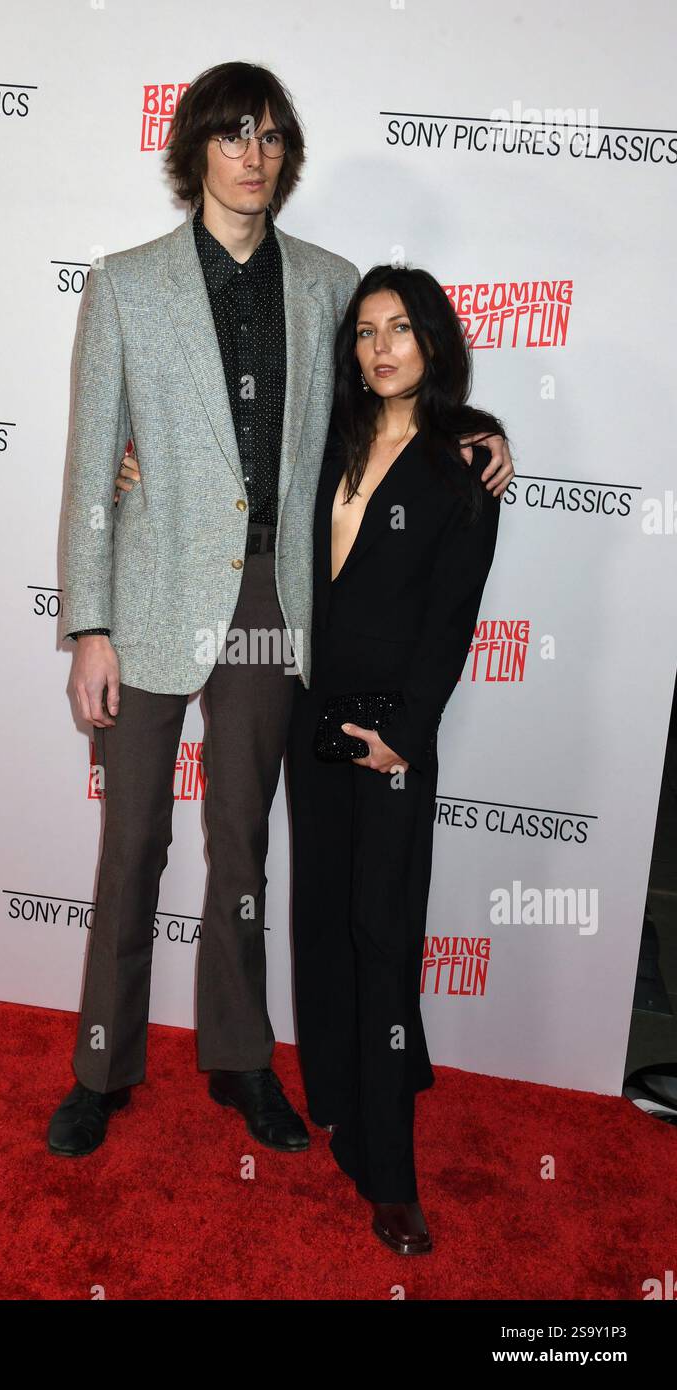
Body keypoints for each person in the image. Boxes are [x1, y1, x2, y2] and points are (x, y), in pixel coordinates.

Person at [50, 60, 514, 1162]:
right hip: (154, 594)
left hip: (275, 594)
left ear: (284, 155)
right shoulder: (123, 284)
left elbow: (390, 402)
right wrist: (89, 625)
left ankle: (241, 1058)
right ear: (196, 150)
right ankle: (103, 1065)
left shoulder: (329, 282)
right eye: (232, 132)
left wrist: (478, 431)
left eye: (269, 135)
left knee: (242, 843)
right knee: (132, 846)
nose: (252, 152)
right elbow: (86, 472)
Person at [285, 265, 505, 1254]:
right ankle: (337, 1097)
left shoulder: (462, 461)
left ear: (433, 343)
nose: (381, 347)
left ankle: (391, 1173)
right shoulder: (326, 439)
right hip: (309, 714)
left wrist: (405, 736)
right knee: (322, 917)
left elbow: (451, 618)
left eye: (400, 329)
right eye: (366, 331)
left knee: (383, 933)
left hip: (388, 734)